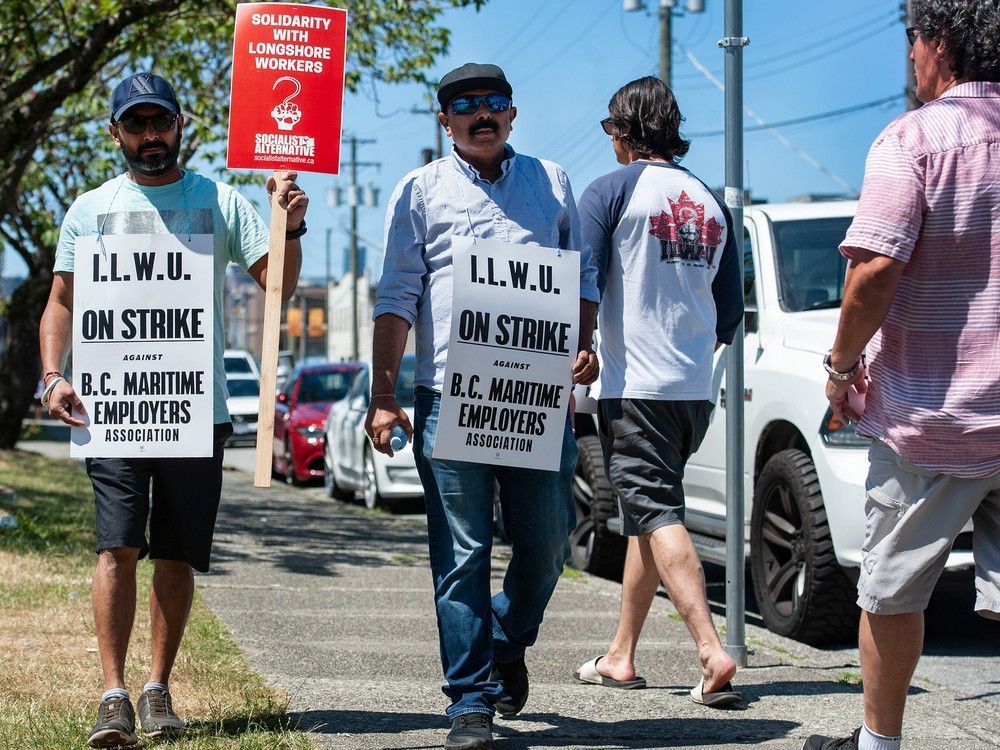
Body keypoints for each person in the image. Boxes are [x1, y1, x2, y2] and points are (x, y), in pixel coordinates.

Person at [38, 72, 308, 749]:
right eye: (137, 125)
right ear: (115, 133)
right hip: (115, 408)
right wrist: (51, 374)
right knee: (117, 544)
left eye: (160, 122)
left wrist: (291, 222)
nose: (150, 136)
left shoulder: (220, 200)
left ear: (181, 124)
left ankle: (157, 685)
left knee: (177, 554)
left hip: (195, 409)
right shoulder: (88, 208)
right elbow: (63, 303)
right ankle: (113, 695)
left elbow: (276, 286)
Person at [365, 62, 599, 750]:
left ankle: (503, 639)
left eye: (494, 101)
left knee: (549, 542)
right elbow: (395, 297)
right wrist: (384, 395)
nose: (482, 113)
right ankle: (469, 702)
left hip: (536, 397)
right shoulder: (419, 191)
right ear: (445, 122)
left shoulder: (552, 181)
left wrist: (583, 346)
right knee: (462, 553)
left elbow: (579, 276)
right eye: (465, 106)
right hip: (449, 398)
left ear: (513, 112)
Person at [804, 2, 1000, 748]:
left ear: (940, 44)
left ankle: (879, 745)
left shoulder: (914, 139)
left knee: (892, 592)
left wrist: (841, 368)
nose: (911, 57)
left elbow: (877, 266)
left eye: (913, 40)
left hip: (930, 419)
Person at [572, 77, 744, 706]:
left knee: (657, 511)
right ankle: (621, 654)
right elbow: (730, 311)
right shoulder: (709, 200)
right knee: (650, 508)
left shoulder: (611, 192)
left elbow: (583, 284)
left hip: (634, 387)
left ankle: (710, 650)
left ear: (622, 131)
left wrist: (583, 344)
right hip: (693, 390)